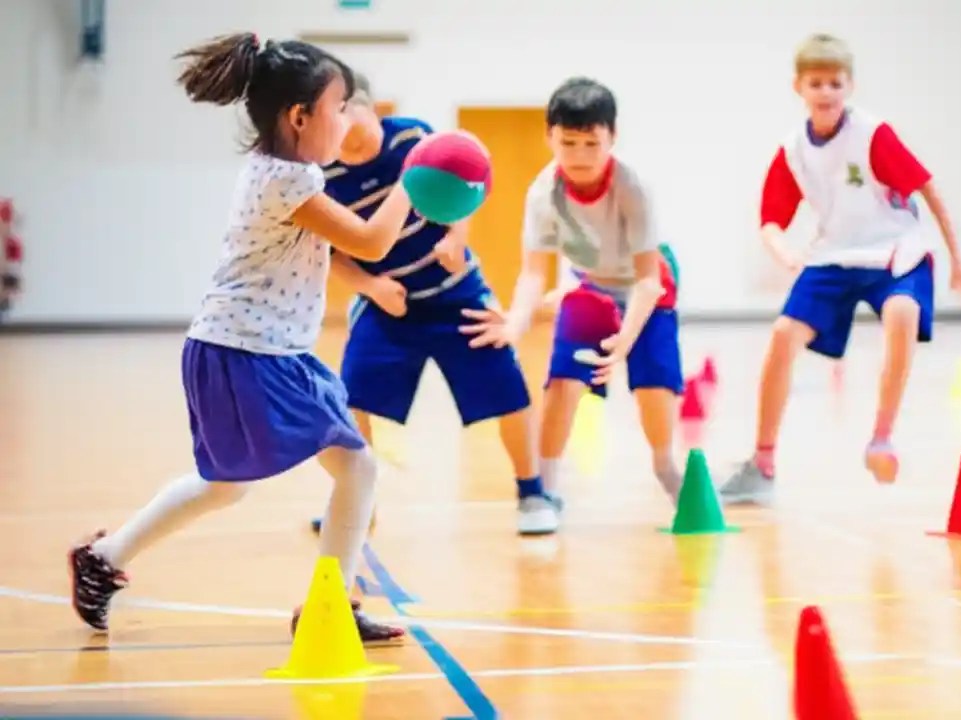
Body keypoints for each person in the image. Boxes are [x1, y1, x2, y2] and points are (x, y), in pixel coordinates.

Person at [67, 33, 406, 642]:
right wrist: (416, 179)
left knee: (256, 481)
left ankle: (106, 559)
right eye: (341, 107)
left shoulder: (290, 168)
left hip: (267, 352)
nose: (353, 118)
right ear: (299, 116)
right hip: (245, 353)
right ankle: (326, 608)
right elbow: (373, 243)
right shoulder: (288, 183)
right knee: (334, 472)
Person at [717, 32, 961, 503]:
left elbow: (929, 189)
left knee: (901, 314)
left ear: (849, 85)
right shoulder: (793, 148)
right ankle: (763, 461)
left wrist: (957, 261)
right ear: (799, 87)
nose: (826, 91)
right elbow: (771, 219)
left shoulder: (873, 134)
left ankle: (881, 437)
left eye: (835, 82)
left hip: (895, 248)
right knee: (780, 337)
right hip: (834, 252)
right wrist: (784, 254)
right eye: (817, 83)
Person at [313, 73, 558, 536]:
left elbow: (465, 187)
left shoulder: (413, 138)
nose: (346, 126)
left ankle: (532, 492)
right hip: (388, 305)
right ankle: (357, 502)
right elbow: (330, 253)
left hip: (456, 294)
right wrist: (371, 288)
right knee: (348, 401)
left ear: (368, 107)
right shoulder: (321, 172)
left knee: (510, 389)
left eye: (351, 113)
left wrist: (456, 236)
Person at [461, 77, 686, 504]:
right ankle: (545, 484)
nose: (579, 155)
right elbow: (532, 273)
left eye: (591, 143)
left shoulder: (632, 187)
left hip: (649, 289)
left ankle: (664, 465)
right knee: (563, 382)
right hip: (589, 284)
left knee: (653, 384)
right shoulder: (543, 193)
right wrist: (515, 322)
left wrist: (626, 339)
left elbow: (647, 279)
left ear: (612, 138)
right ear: (549, 137)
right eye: (568, 142)